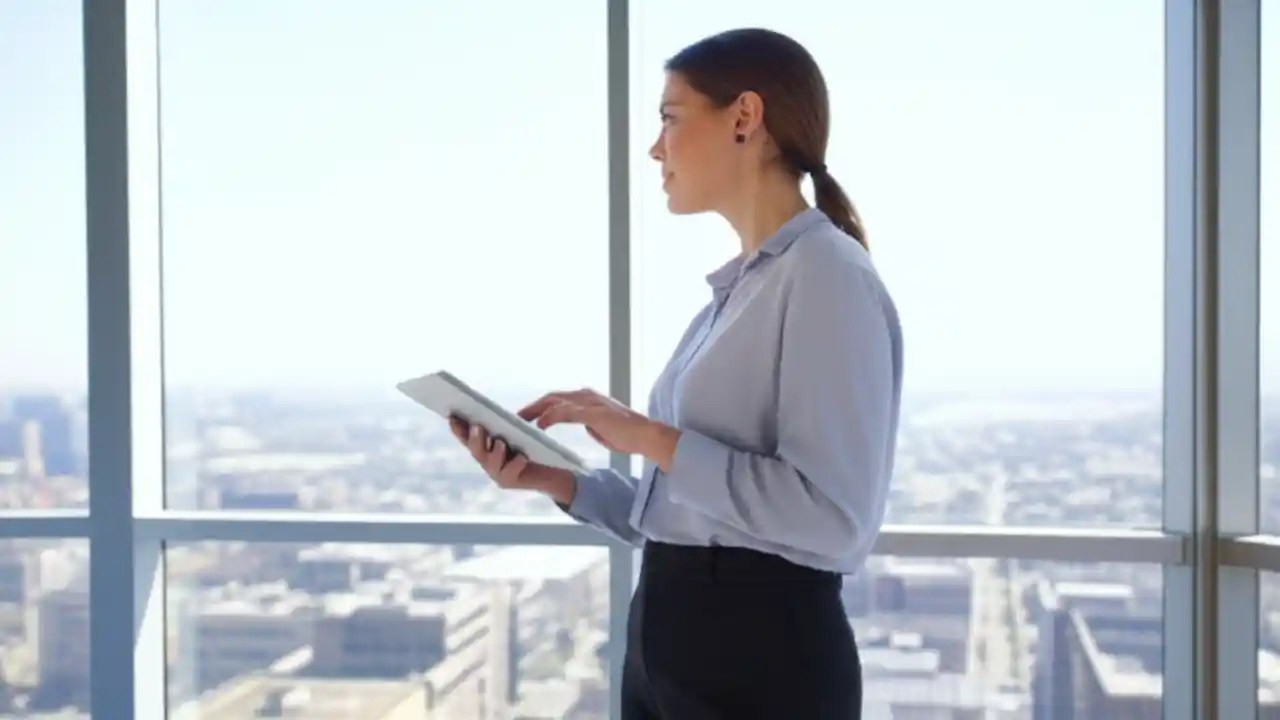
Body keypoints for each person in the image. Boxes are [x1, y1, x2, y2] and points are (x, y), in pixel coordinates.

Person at [449, 27, 903, 720]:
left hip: (760, 663)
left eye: (670, 117)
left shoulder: (828, 276)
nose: (655, 148)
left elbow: (832, 520)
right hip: (669, 644)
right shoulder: (742, 289)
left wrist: (647, 435)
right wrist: (562, 481)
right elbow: (697, 515)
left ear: (745, 119)